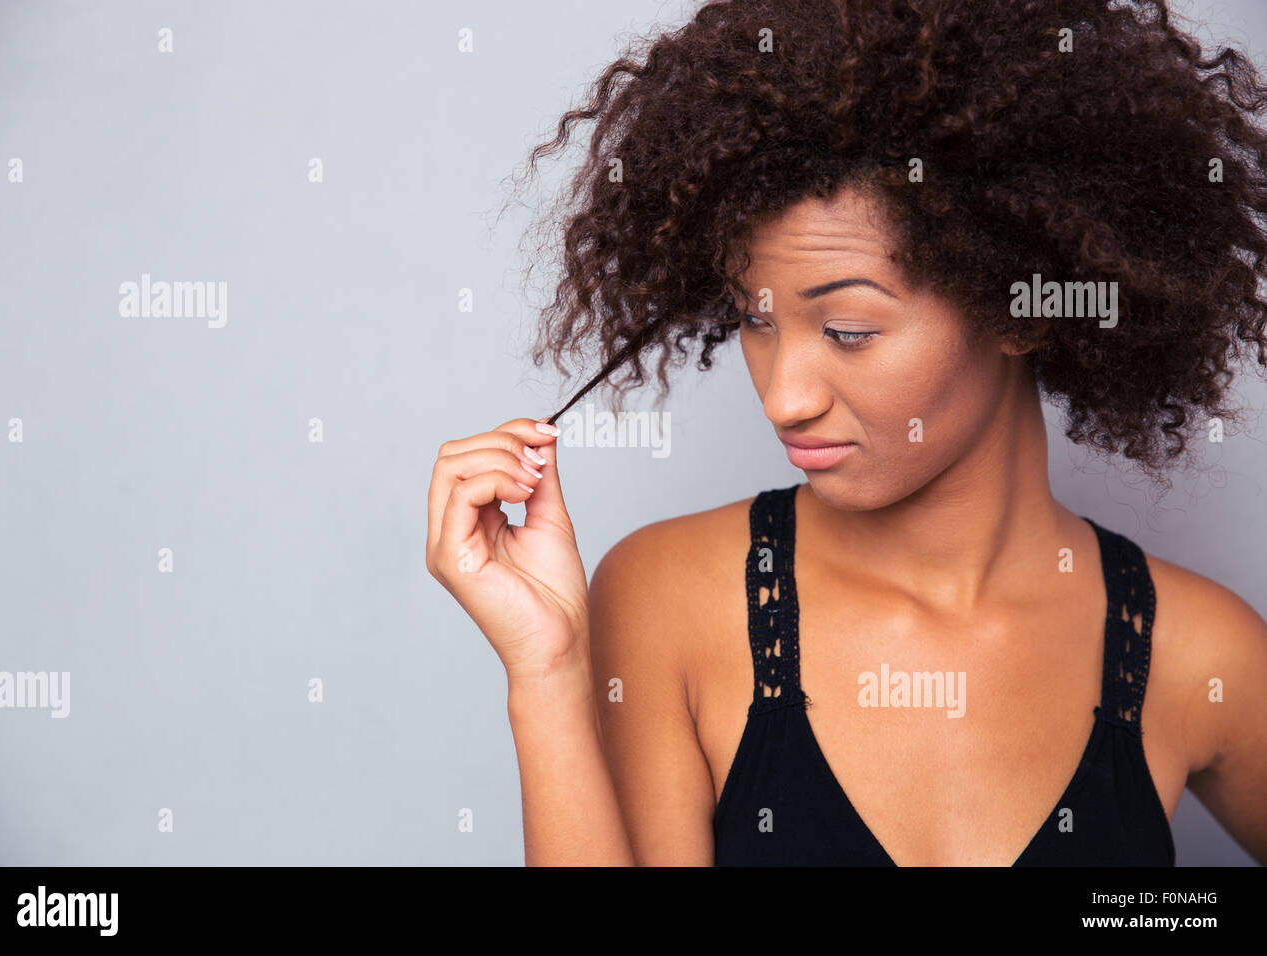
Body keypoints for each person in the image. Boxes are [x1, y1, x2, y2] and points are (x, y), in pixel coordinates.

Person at [426, 0, 1267, 865]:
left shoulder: (1199, 651)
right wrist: (547, 672)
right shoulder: (670, 599)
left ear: (1018, 309)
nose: (784, 398)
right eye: (755, 323)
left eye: (848, 332)